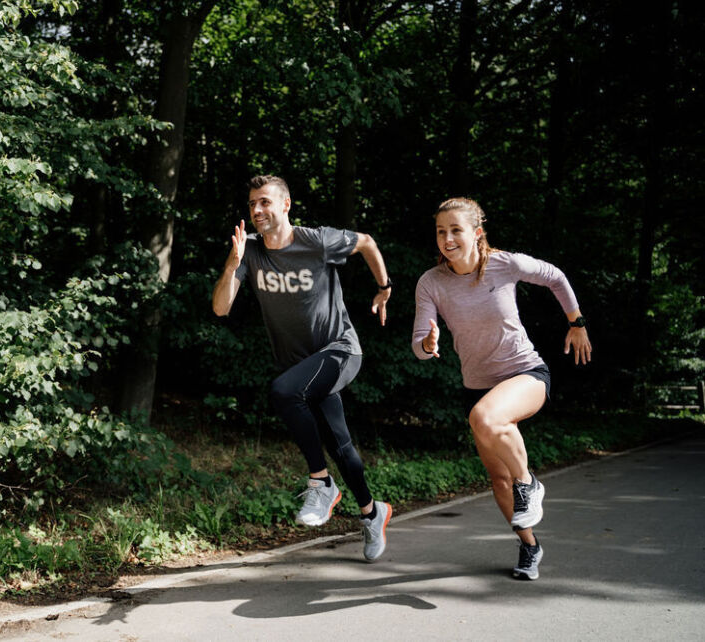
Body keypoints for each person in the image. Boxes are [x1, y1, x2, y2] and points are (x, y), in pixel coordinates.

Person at [212, 175, 393, 562]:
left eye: (264, 202)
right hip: (303, 367)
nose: (257, 211)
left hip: (340, 350)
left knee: (283, 391)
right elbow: (221, 308)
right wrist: (232, 264)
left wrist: (384, 286)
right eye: (251, 205)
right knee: (341, 445)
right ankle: (372, 513)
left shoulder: (316, 241)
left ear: (286, 205)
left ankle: (320, 481)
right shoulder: (252, 253)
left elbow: (367, 242)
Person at [412, 197, 592, 580]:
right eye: (441, 232)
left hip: (526, 373)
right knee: (497, 478)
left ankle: (529, 483)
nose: (447, 239)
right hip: (477, 386)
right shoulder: (431, 283)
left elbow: (555, 276)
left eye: (456, 230)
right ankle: (530, 545)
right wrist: (427, 345)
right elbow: (418, 342)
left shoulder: (504, 264)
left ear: (477, 233)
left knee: (488, 417)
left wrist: (577, 322)